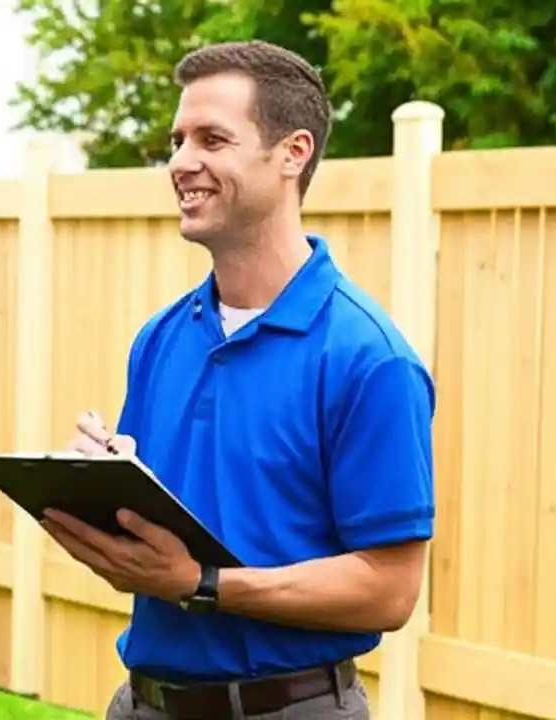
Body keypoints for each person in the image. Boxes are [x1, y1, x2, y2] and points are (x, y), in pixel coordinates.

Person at [43, 40, 435, 719]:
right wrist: (108, 488)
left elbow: (389, 590)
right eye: (178, 140)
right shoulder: (162, 338)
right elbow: (166, 549)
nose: (180, 162)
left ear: (293, 153)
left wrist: (202, 584)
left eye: (213, 139)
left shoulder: (368, 359)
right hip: (142, 704)